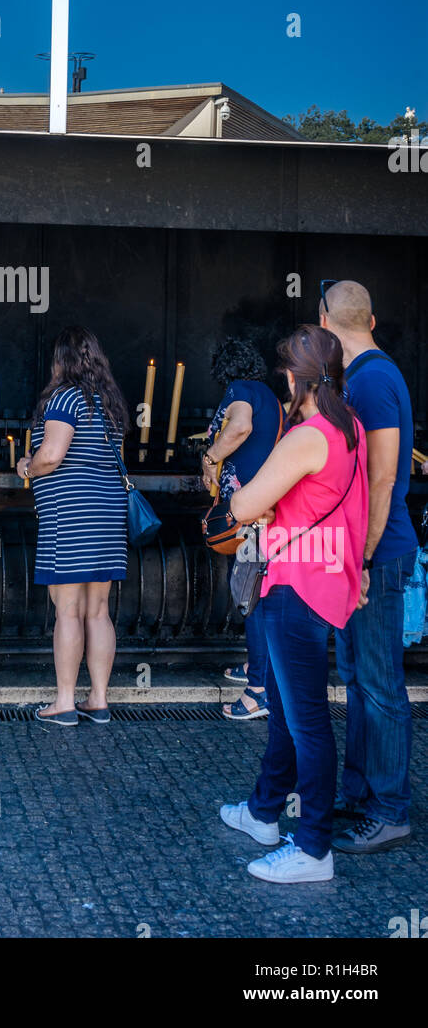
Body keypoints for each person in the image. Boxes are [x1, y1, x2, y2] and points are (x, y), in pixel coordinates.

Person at [219, 325, 368, 884]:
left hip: (295, 587)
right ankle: (263, 811)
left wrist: (240, 495)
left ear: (291, 378)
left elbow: (246, 503)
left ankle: (313, 849)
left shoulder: (308, 434)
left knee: (306, 722)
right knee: (285, 710)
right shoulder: (350, 426)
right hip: (324, 580)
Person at [320, 279, 418, 853]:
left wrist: (358, 560)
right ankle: (361, 797)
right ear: (371, 321)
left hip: (375, 557)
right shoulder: (366, 377)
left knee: (379, 685)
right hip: (365, 556)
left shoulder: (374, 381)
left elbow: (381, 480)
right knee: (358, 680)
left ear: (326, 324)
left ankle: (388, 809)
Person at [17, 327, 129, 727]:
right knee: (98, 611)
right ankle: (98, 699)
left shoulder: (66, 398)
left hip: (71, 515)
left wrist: (28, 466)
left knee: (67, 611)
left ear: (60, 360)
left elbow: (52, 454)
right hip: (107, 514)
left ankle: (64, 701)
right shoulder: (109, 404)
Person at [202, 338, 283, 722]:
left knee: (252, 594)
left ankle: (258, 693)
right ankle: (257, 667)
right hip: (268, 505)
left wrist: (209, 457)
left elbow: (239, 429)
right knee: (260, 587)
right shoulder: (267, 394)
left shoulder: (240, 391)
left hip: (249, 512)